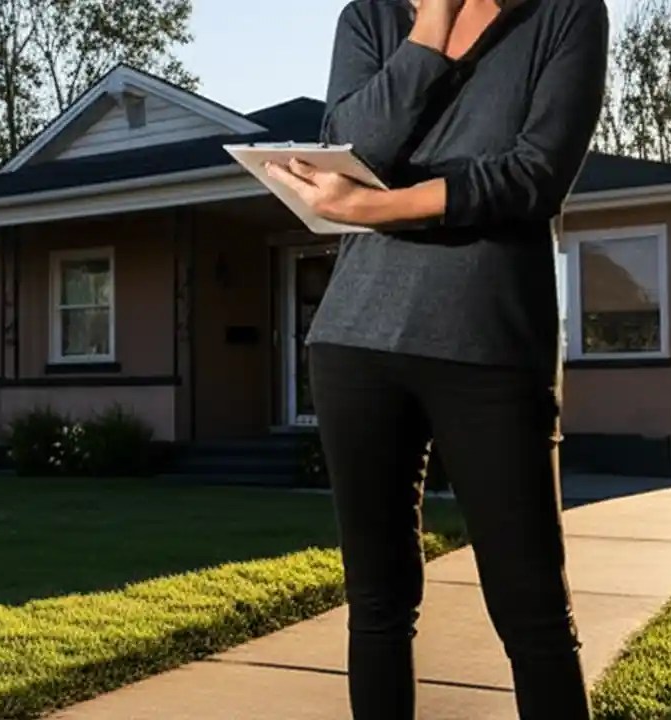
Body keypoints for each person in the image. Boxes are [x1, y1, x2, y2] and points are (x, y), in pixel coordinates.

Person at [263, 0, 609, 717]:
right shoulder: (372, 17)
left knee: (534, 615)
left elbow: (534, 175)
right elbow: (354, 141)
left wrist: (376, 207)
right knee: (378, 605)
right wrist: (432, 25)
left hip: (489, 345)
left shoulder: (565, 13)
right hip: (356, 342)